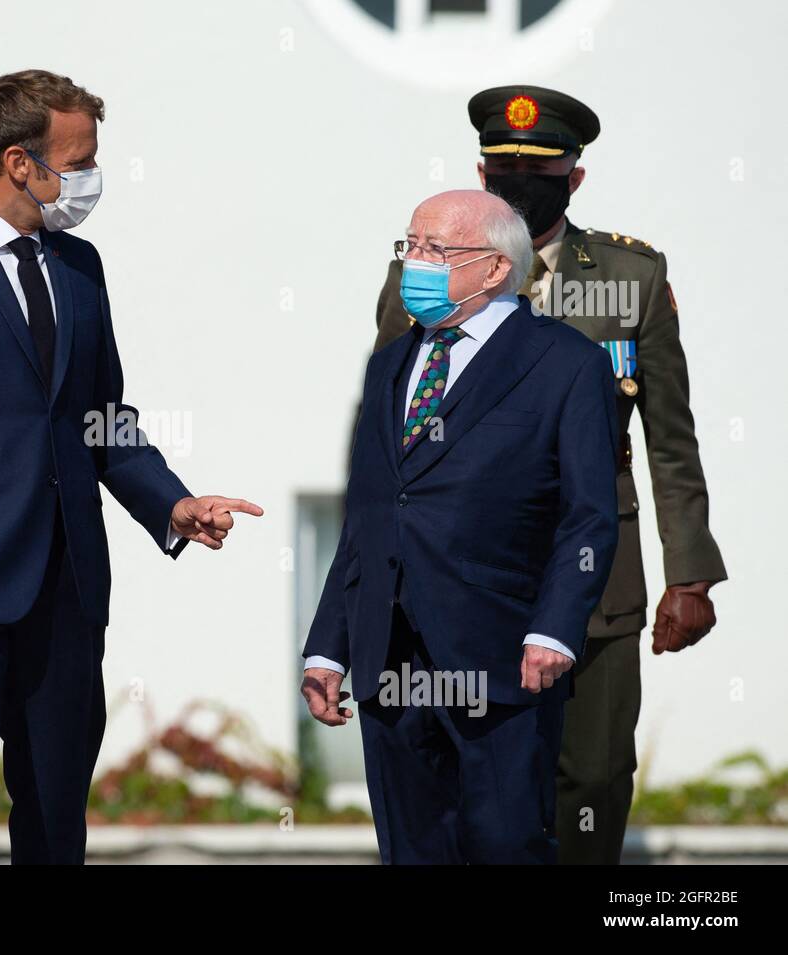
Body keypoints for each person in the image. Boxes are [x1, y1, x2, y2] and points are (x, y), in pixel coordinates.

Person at [0, 69, 263, 865]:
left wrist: (172, 504)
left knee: (57, 807)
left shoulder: (79, 265)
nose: (91, 177)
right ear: (18, 163)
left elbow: (103, 418)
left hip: (66, 583)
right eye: (78, 161)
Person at [365, 86, 727, 864]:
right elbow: (389, 432)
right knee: (473, 783)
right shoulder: (424, 274)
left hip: (596, 574)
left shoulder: (629, 275)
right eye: (504, 172)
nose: (519, 186)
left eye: (539, 172)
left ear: (575, 178)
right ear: (482, 174)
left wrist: (690, 572)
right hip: (458, 573)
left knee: (591, 779)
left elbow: (670, 438)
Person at [303, 189, 619, 864]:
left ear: (496, 267)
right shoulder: (391, 362)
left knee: (506, 846)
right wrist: (328, 648)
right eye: (410, 245)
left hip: (504, 658)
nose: (414, 262)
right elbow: (370, 513)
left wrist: (554, 628)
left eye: (436, 249)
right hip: (390, 658)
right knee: (412, 850)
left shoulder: (566, 363)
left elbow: (588, 517)